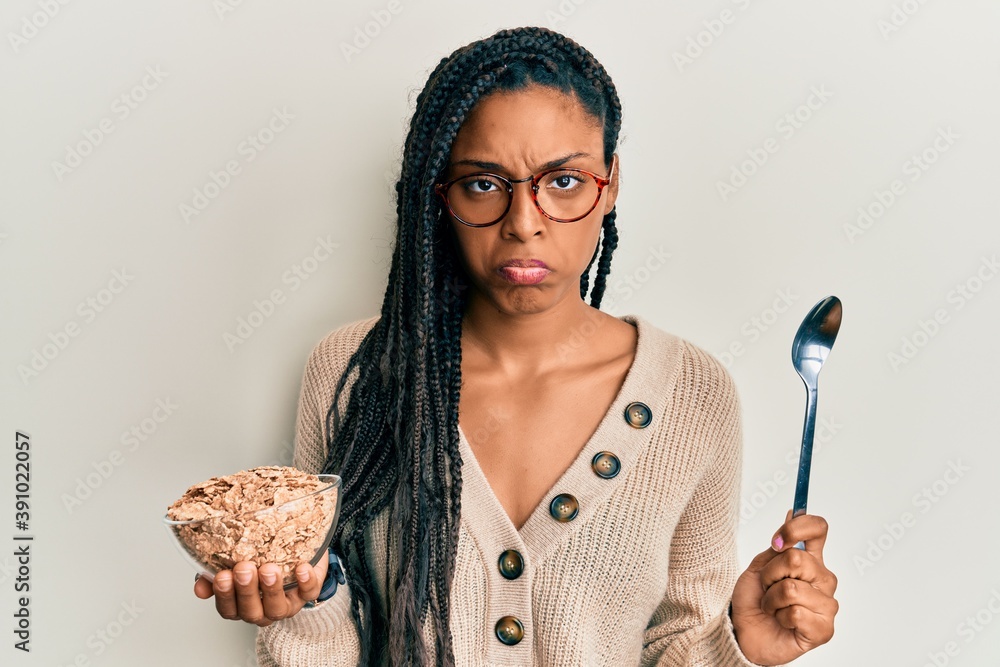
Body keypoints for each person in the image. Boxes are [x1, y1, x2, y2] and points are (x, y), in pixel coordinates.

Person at [193, 26, 839, 667]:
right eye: (483, 183)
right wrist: (306, 602)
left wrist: (736, 640)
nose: (523, 223)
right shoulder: (355, 371)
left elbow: (675, 645)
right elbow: (332, 621)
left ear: (610, 183)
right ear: (439, 196)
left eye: (563, 181)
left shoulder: (696, 396)